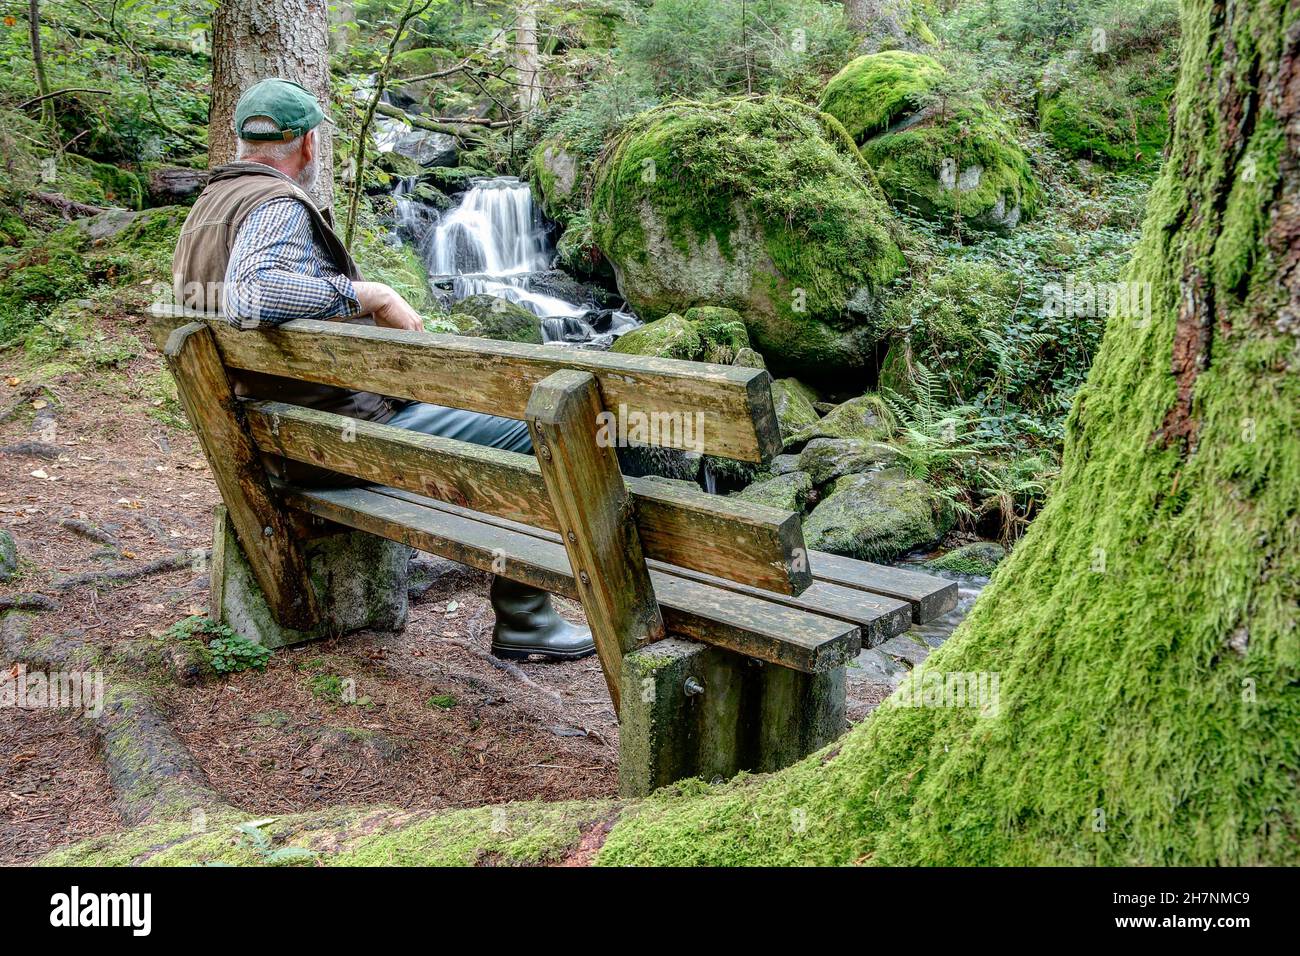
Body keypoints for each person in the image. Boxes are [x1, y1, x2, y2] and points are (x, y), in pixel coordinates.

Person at [171, 77, 593, 662]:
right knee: (535, 428)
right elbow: (254, 296)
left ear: (242, 140)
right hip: (331, 447)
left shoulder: (206, 212)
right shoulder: (275, 206)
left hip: (278, 438)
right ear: (311, 144)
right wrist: (372, 294)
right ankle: (527, 619)